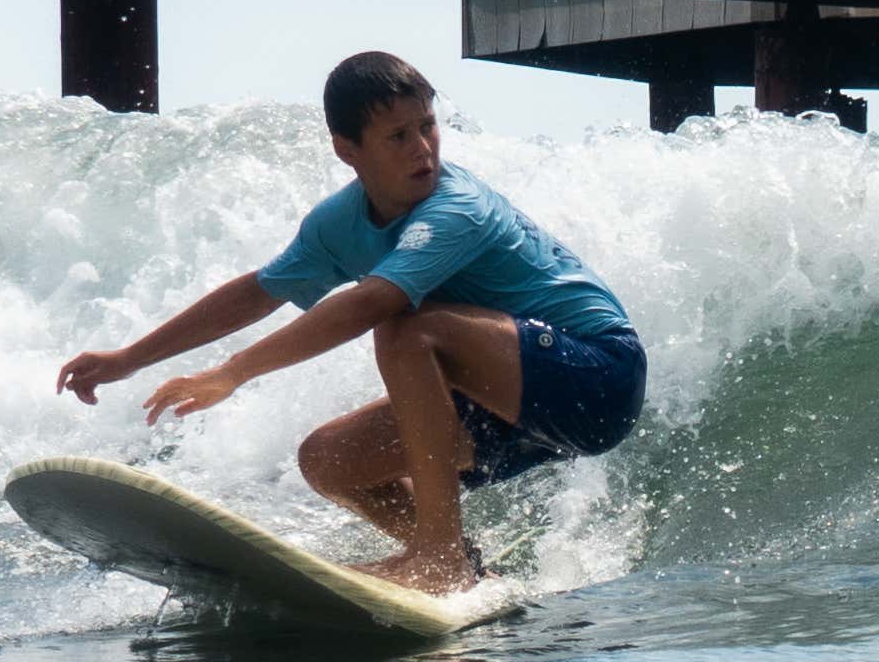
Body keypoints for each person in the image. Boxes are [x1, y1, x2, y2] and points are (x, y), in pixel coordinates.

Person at [55, 52, 646, 589]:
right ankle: (463, 566)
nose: (423, 149)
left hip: (597, 375)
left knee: (409, 325)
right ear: (348, 148)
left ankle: (434, 556)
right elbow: (260, 291)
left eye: (427, 127)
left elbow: (371, 304)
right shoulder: (338, 223)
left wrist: (233, 372)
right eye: (397, 136)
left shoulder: (458, 208)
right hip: (510, 402)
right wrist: (127, 359)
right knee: (328, 459)